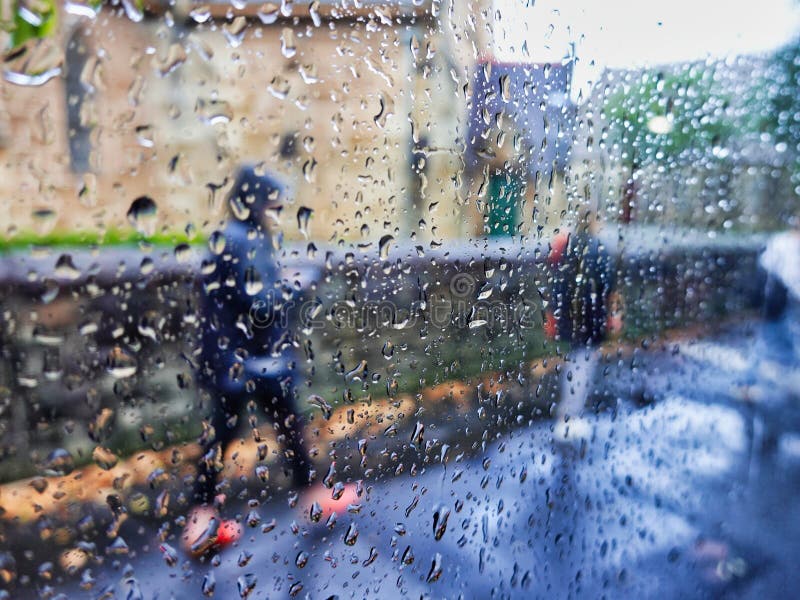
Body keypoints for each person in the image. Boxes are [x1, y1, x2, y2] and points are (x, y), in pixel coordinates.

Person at [183, 166, 354, 556]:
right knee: (231, 435)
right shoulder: (242, 240)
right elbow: (260, 302)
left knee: (272, 428)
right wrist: (299, 281)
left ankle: (306, 496)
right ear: (254, 201)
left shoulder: (236, 236)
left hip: (240, 357)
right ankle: (201, 523)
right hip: (248, 360)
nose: (276, 211)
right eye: (272, 203)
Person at [545, 208, 621, 442]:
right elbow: (609, 288)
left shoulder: (568, 246)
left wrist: (552, 314)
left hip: (571, 313)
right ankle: (569, 416)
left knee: (576, 360)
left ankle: (568, 413)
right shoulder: (600, 249)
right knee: (582, 363)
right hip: (591, 315)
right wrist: (613, 315)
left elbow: (557, 282)